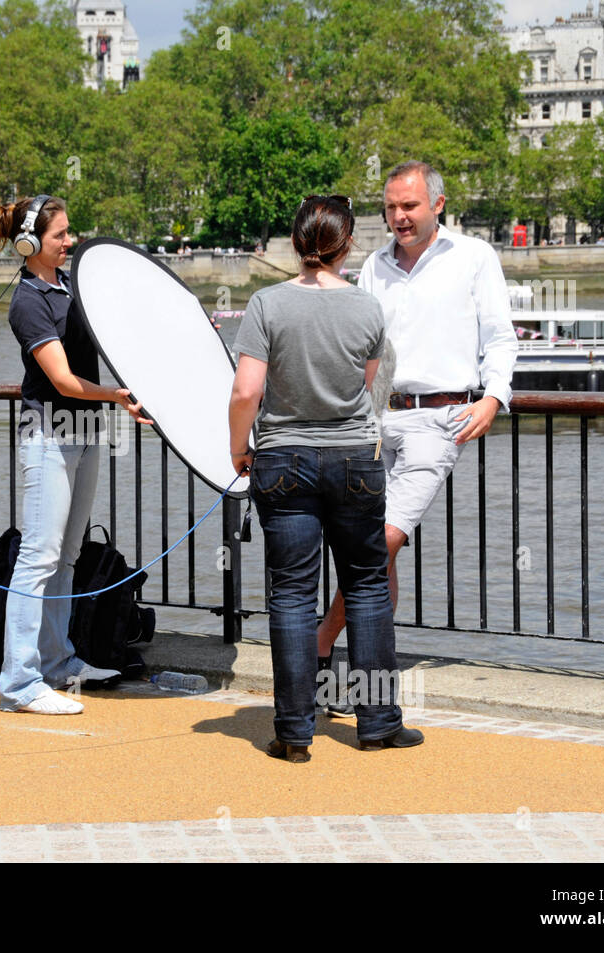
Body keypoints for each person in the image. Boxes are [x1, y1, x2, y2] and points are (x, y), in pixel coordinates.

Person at [229, 194, 420, 762]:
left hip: (283, 460)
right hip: (354, 460)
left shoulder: (266, 304)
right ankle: (379, 723)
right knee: (366, 587)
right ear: (345, 246)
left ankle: (293, 733)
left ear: (296, 243)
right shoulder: (367, 308)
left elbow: (246, 391)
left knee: (290, 596)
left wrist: (239, 448)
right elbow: (368, 386)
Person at [315, 161, 517, 688]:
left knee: (380, 541)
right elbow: (362, 348)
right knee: (377, 551)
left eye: (409, 206)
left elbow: (499, 335)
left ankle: (319, 645)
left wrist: (494, 397)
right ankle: (372, 674)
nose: (399, 217)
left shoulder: (474, 257)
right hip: (376, 418)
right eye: (390, 208)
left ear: (438, 205)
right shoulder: (375, 267)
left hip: (441, 419)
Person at [0, 194, 151, 715]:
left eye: (69, 233)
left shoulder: (69, 288)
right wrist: (117, 397)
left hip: (84, 432)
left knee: (68, 556)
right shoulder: (29, 301)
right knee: (36, 558)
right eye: (60, 235)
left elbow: (120, 334)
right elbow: (61, 379)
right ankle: (18, 683)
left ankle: (58, 663)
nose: (70, 241)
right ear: (30, 243)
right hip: (48, 435)